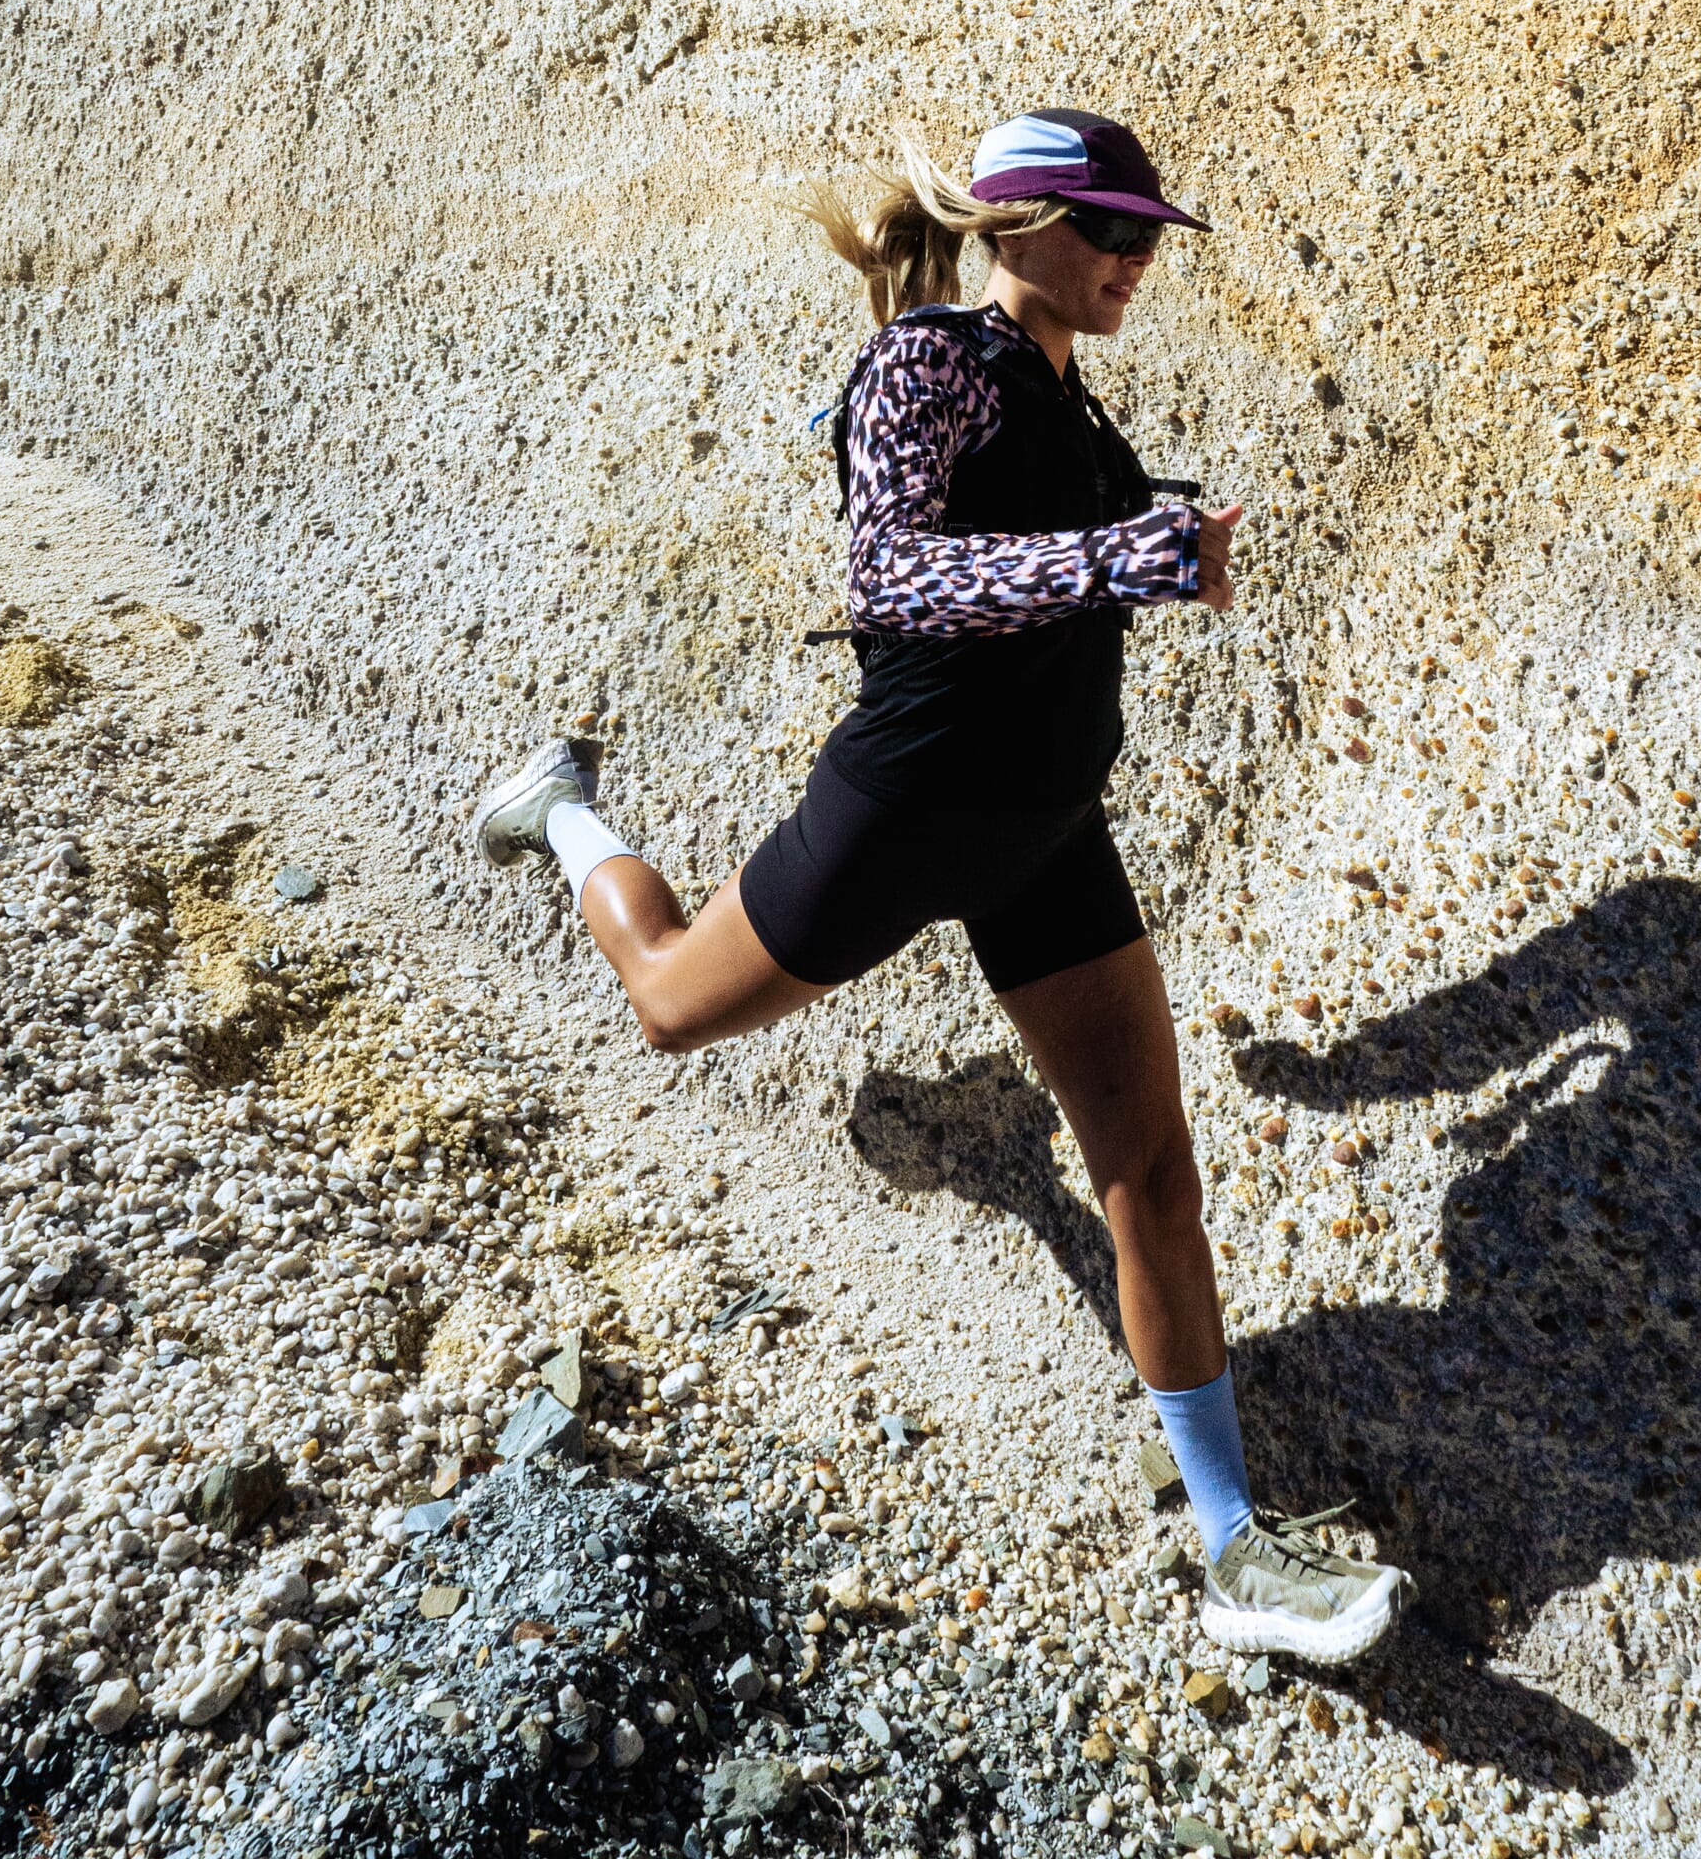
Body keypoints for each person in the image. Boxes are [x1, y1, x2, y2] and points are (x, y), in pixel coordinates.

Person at [471, 108, 1406, 1662]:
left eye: (1147, 236)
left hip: (1046, 835)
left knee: (1151, 1173)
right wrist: (1119, 557)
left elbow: (1049, 550)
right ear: (1014, 227)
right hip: (903, 809)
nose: (1133, 259)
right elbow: (889, 573)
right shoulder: (925, 366)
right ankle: (563, 815)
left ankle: (1236, 1549)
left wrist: (1158, 536)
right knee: (669, 1008)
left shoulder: (1069, 406)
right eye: (1107, 229)